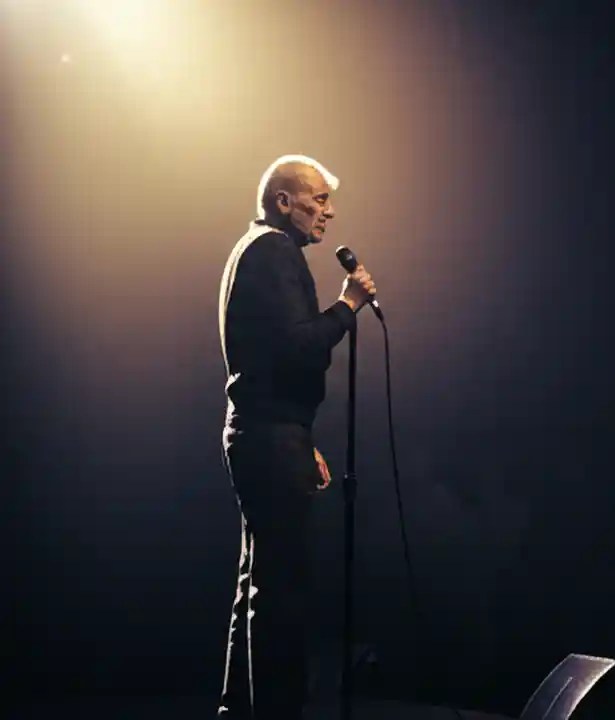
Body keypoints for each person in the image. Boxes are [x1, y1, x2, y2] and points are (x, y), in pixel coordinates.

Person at [216, 154, 377, 719]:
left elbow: (270, 359)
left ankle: (239, 713)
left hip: (265, 432)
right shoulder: (273, 251)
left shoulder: (252, 250)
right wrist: (348, 307)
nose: (329, 212)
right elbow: (297, 345)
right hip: (268, 438)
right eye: (320, 200)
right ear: (284, 201)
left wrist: (297, 432)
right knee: (282, 596)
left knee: (256, 588)